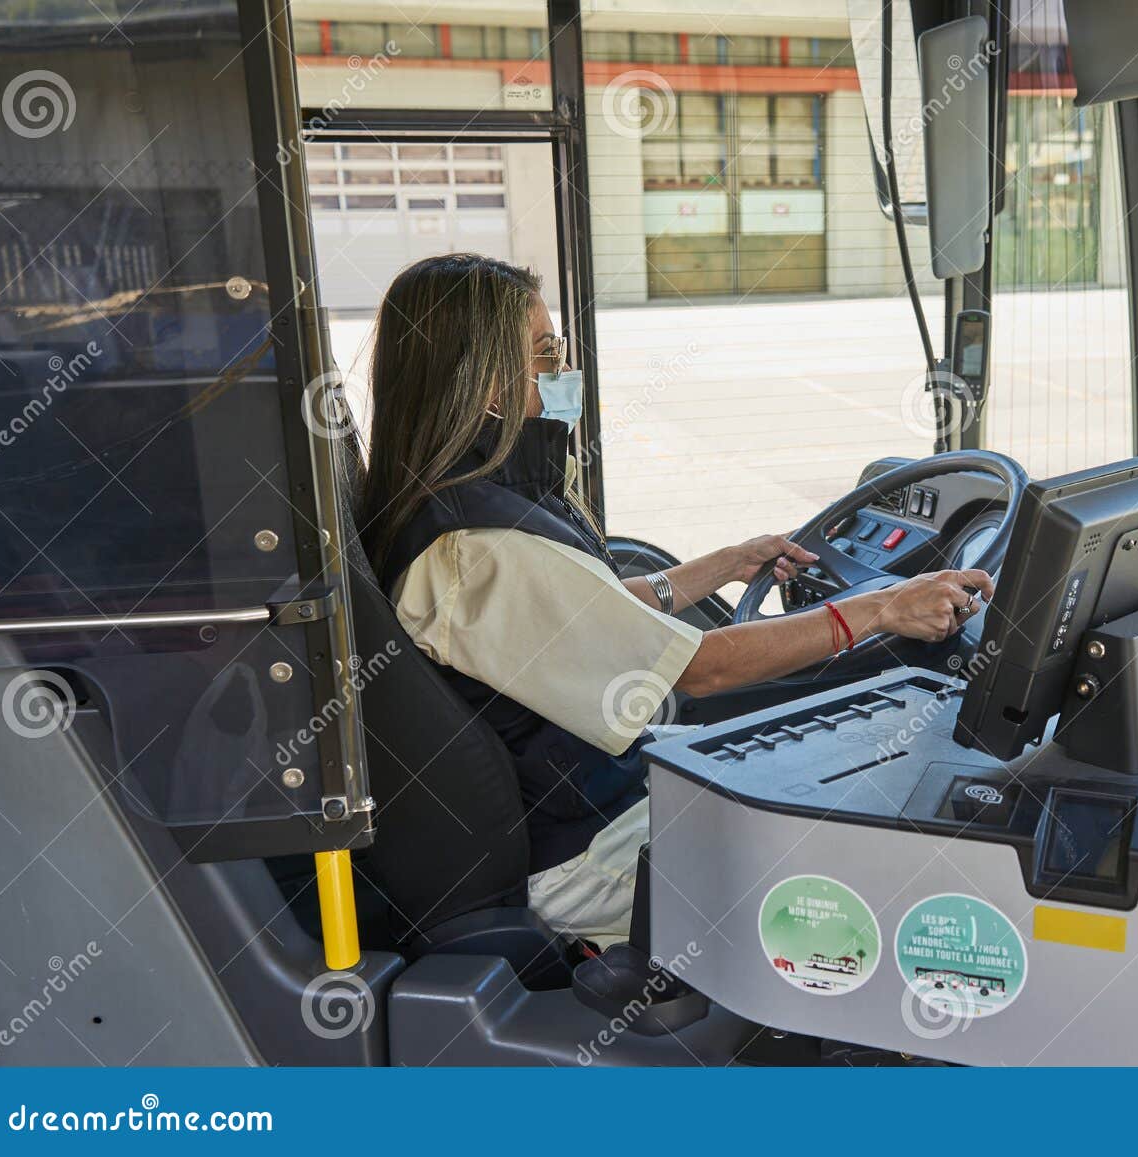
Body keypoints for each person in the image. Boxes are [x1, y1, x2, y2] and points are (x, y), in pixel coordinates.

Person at [357, 254, 993, 944]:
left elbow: (587, 618)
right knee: (868, 855)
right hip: (581, 859)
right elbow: (698, 669)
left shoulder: (467, 509)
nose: (562, 370)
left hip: (597, 797)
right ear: (487, 386)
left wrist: (724, 564)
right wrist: (879, 608)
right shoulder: (476, 546)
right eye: (547, 353)